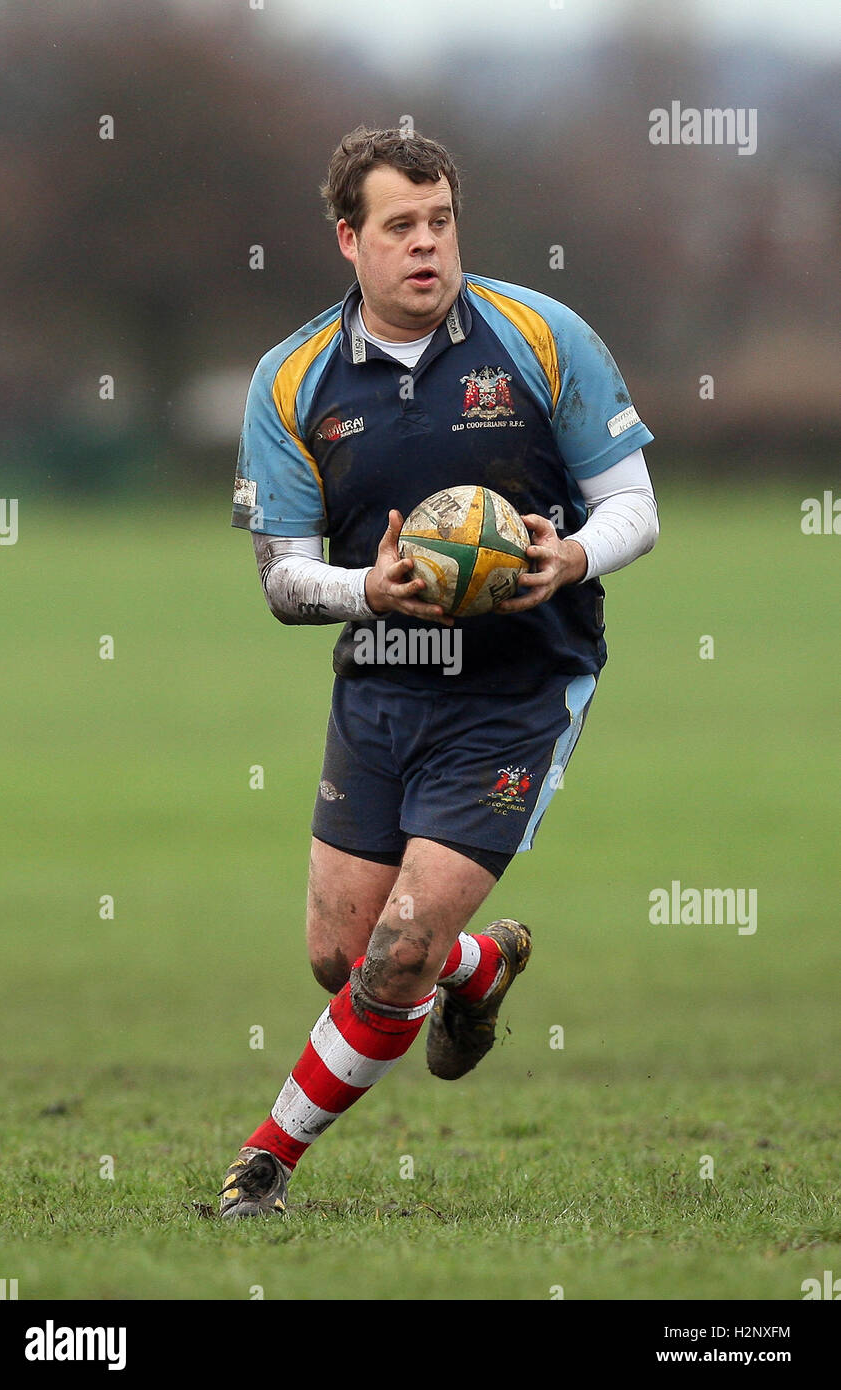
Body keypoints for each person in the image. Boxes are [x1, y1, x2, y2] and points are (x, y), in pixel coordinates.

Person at [218, 126, 658, 1218]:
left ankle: (261, 1165)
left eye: (440, 222)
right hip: (380, 682)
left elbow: (633, 506)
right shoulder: (290, 380)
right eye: (400, 227)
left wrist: (569, 555)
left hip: (517, 689)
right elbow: (281, 580)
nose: (427, 245)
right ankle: (477, 968)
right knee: (342, 955)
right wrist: (365, 593)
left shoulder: (541, 337)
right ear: (349, 240)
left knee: (393, 955)